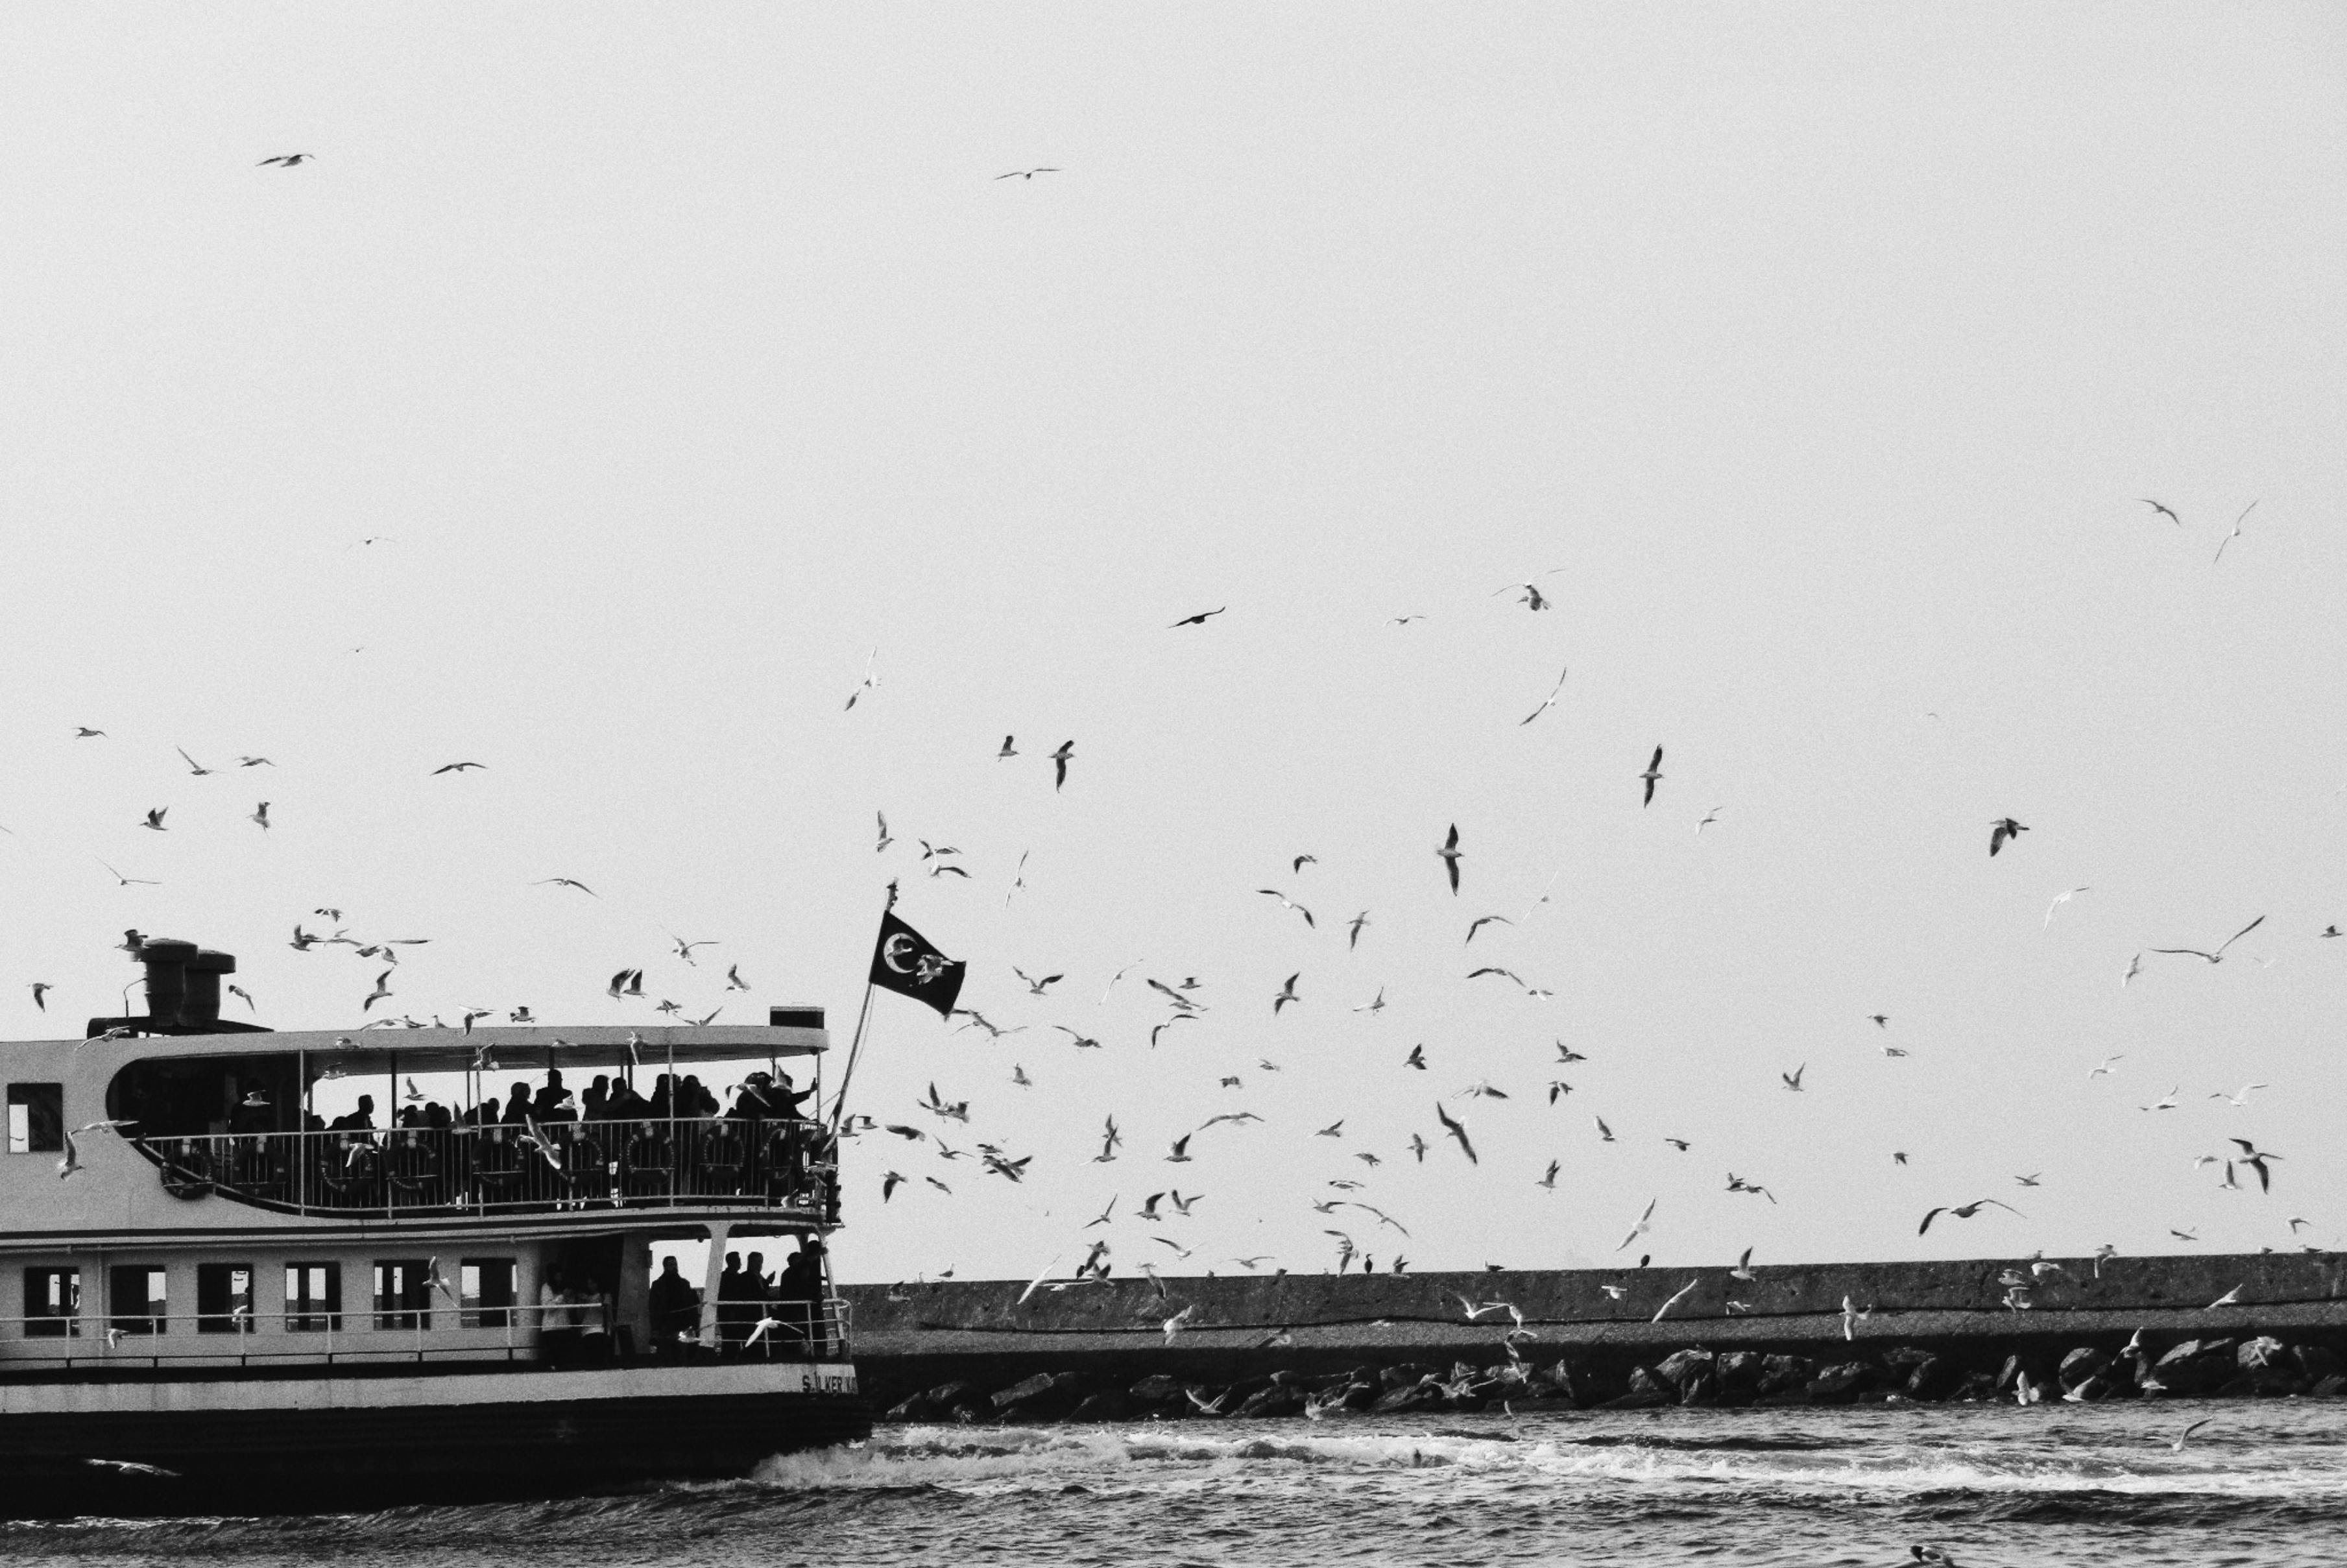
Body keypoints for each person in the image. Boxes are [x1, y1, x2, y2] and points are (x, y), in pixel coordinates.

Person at [649, 1255, 699, 1355]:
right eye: (671, 1264)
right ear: (665, 1267)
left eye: (675, 1264)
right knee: (665, 1351)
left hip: (683, 1322)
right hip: (665, 1323)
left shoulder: (684, 1284)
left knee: (682, 1351)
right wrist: (655, 1328)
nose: (674, 1267)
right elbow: (653, 1307)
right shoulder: (658, 1285)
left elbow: (691, 1304)